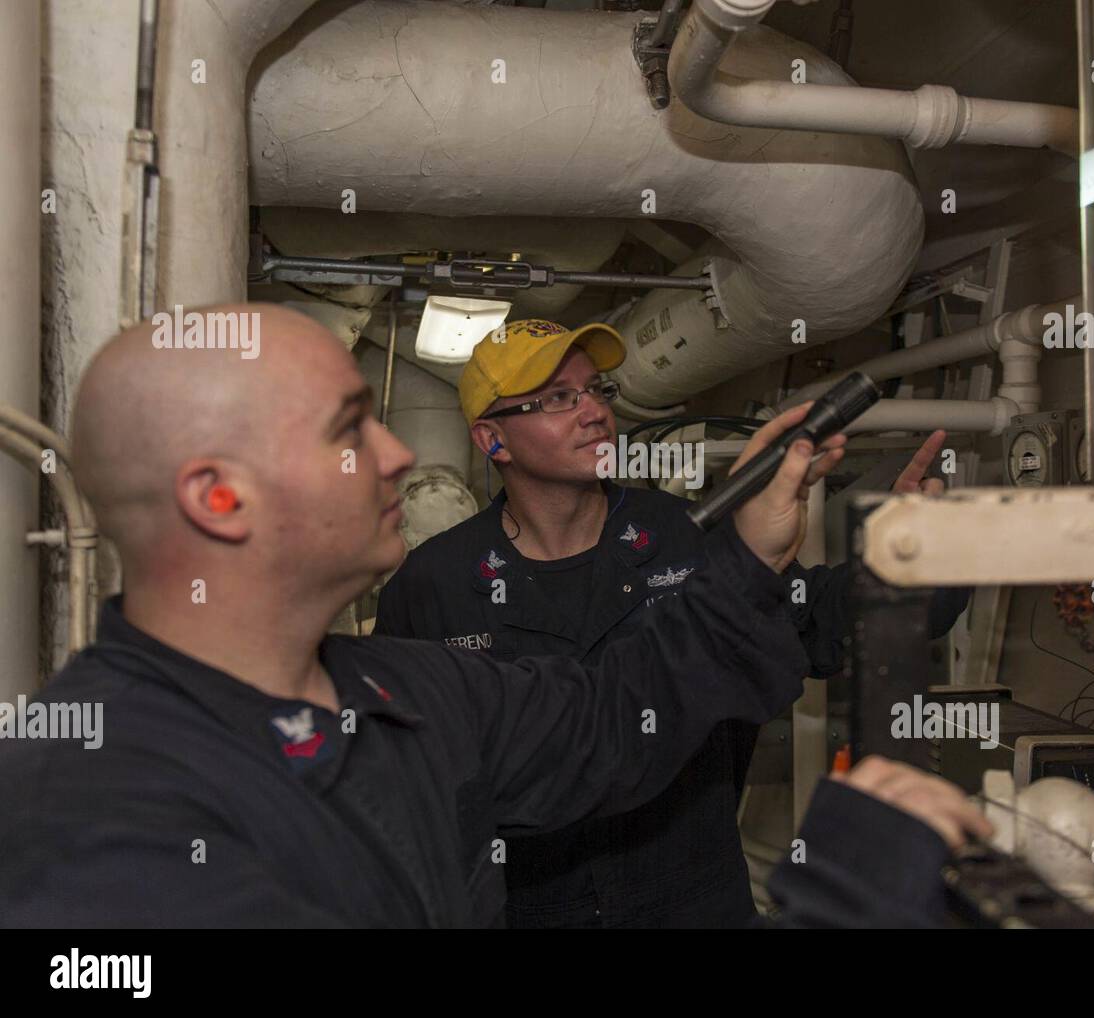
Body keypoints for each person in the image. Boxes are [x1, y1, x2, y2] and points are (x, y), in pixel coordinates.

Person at [0, 304, 989, 929]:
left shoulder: (410, 693)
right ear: (220, 498)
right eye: (351, 427)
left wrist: (758, 556)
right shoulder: (84, 804)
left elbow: (616, 711)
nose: (396, 455)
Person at [375, 318, 971, 928]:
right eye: (559, 397)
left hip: (695, 904)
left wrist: (914, 553)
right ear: (492, 441)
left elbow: (822, 619)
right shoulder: (432, 588)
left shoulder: (692, 536)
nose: (594, 413)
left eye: (597, 390)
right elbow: (407, 788)